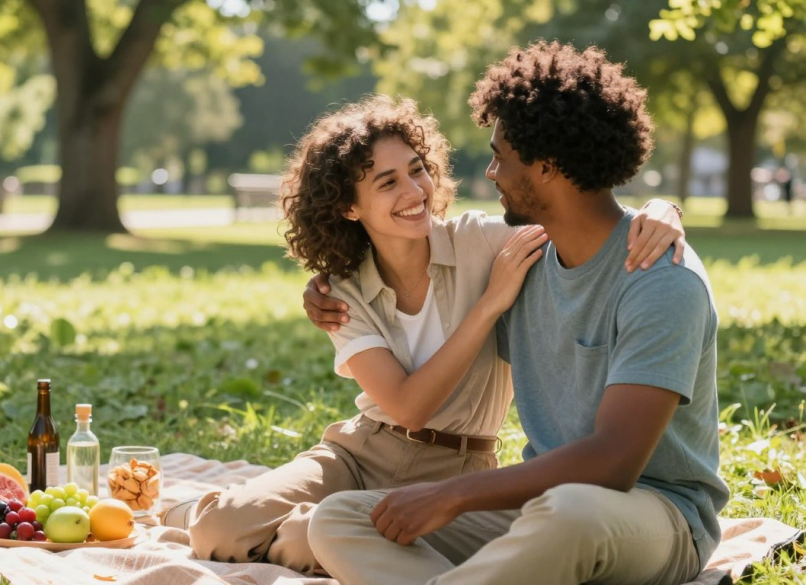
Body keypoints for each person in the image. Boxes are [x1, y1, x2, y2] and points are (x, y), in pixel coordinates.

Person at [173, 95, 686, 575]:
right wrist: (488, 307)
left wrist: (664, 210)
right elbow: (407, 408)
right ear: (350, 207)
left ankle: (301, 531)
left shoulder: (486, 240)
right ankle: (218, 514)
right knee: (220, 528)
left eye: (416, 171)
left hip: (458, 465)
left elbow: (577, 210)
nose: (414, 192)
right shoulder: (343, 291)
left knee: (313, 536)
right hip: (362, 451)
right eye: (387, 182)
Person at [305, 41, 729, 585]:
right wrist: (321, 288)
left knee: (571, 515)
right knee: (343, 517)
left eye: (501, 156)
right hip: (542, 504)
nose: (490, 172)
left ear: (548, 167)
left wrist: (451, 495)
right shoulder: (522, 264)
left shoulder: (661, 280)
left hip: (655, 515)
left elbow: (615, 462)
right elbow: (409, 268)